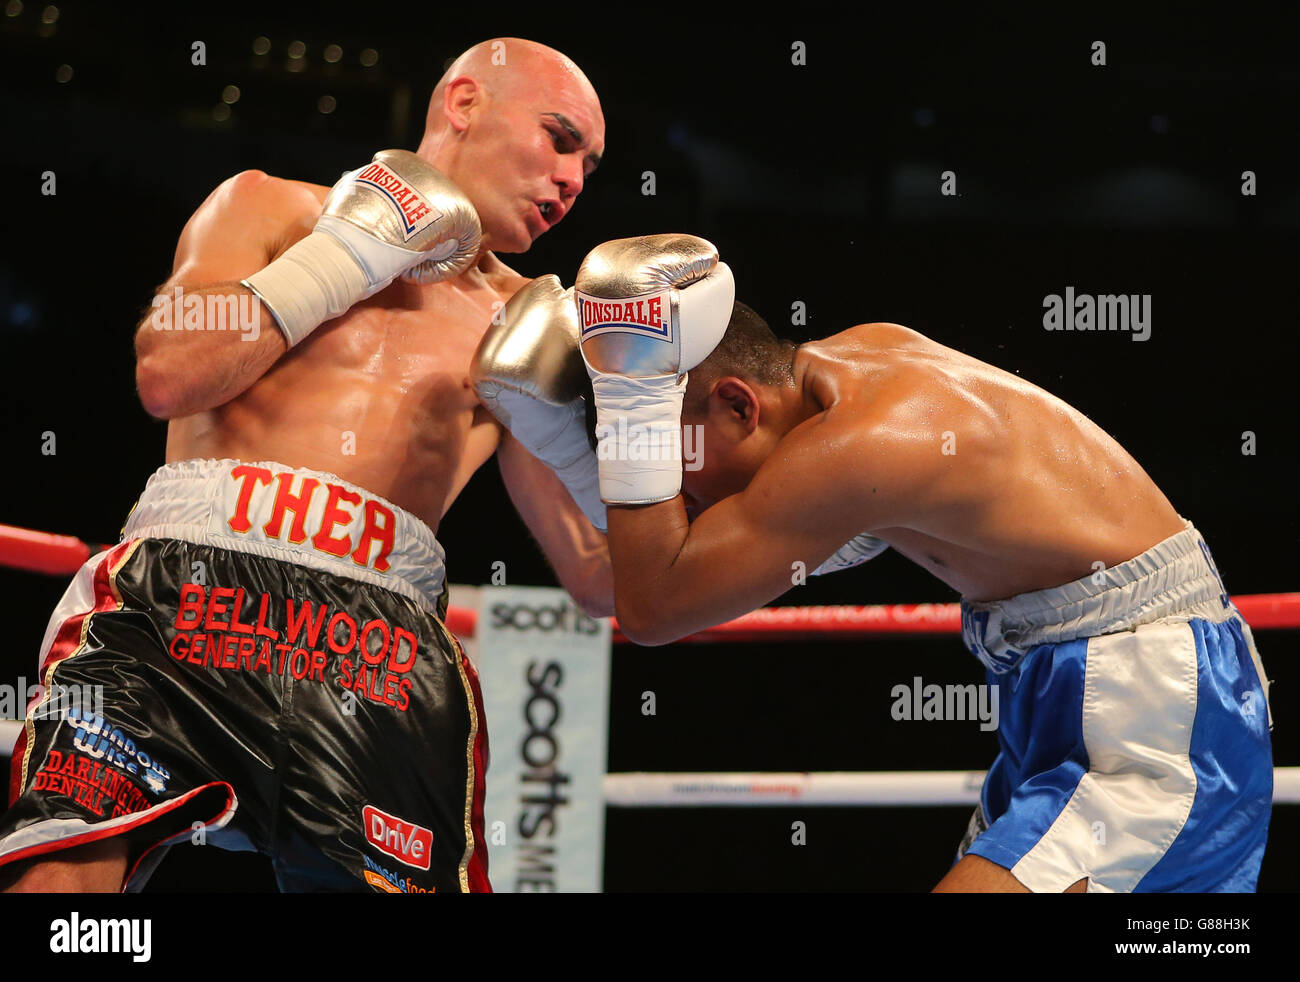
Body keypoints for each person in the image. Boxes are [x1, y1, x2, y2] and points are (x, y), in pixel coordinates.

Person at [482, 233, 1274, 892]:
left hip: (1149, 697)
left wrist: (624, 402)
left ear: (737, 404)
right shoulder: (851, 385)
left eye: (673, 450)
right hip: (1075, 687)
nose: (676, 488)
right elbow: (644, 576)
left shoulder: (867, 441)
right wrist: (557, 417)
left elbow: (653, 609)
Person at [0, 38, 609, 894]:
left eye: (589, 162)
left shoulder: (528, 329)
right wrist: (351, 254)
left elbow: (605, 581)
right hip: (185, 601)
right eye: (559, 136)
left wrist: (634, 432)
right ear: (464, 103)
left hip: (378, 653)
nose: (574, 177)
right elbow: (169, 370)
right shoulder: (267, 208)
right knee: (61, 890)